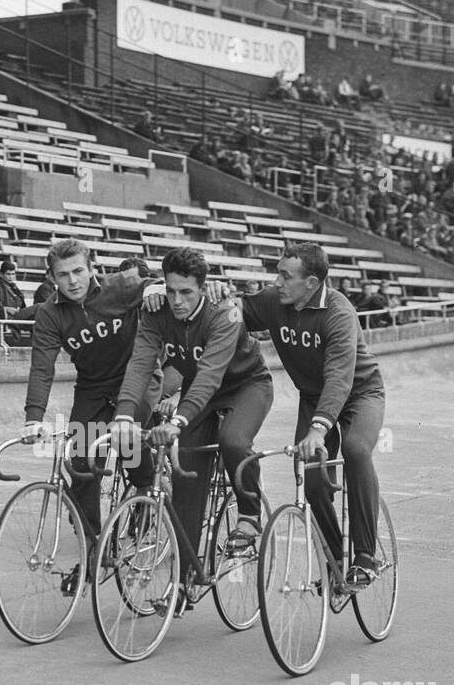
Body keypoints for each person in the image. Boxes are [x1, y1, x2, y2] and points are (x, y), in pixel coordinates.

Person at [112, 247, 274, 611]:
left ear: (204, 288)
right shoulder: (156, 312)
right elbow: (140, 365)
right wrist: (124, 415)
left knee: (233, 440)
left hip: (245, 386)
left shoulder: (224, 313)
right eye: (170, 290)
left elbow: (210, 375)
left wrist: (177, 421)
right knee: (186, 483)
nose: (177, 300)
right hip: (199, 395)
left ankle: (249, 513)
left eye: (186, 292)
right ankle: (185, 582)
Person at [239, 242, 387, 588]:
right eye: (277, 273)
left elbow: (339, 377)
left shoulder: (338, 312)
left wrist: (319, 428)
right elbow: (232, 312)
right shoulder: (275, 301)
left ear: (312, 283)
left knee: (355, 450)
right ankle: (335, 558)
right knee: (310, 475)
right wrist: (213, 292)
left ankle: (365, 556)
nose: (277, 282)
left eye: (285, 276)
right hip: (313, 397)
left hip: (359, 394)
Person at [23, 239, 159, 578]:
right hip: (93, 388)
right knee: (80, 461)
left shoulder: (119, 286)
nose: (72, 281)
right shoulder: (50, 314)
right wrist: (33, 418)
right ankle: (92, 547)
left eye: (78, 271)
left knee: (126, 438)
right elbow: (42, 368)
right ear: (52, 278)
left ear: (92, 267)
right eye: (62, 275)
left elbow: (155, 284)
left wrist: (155, 288)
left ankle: (146, 486)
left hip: (135, 378)